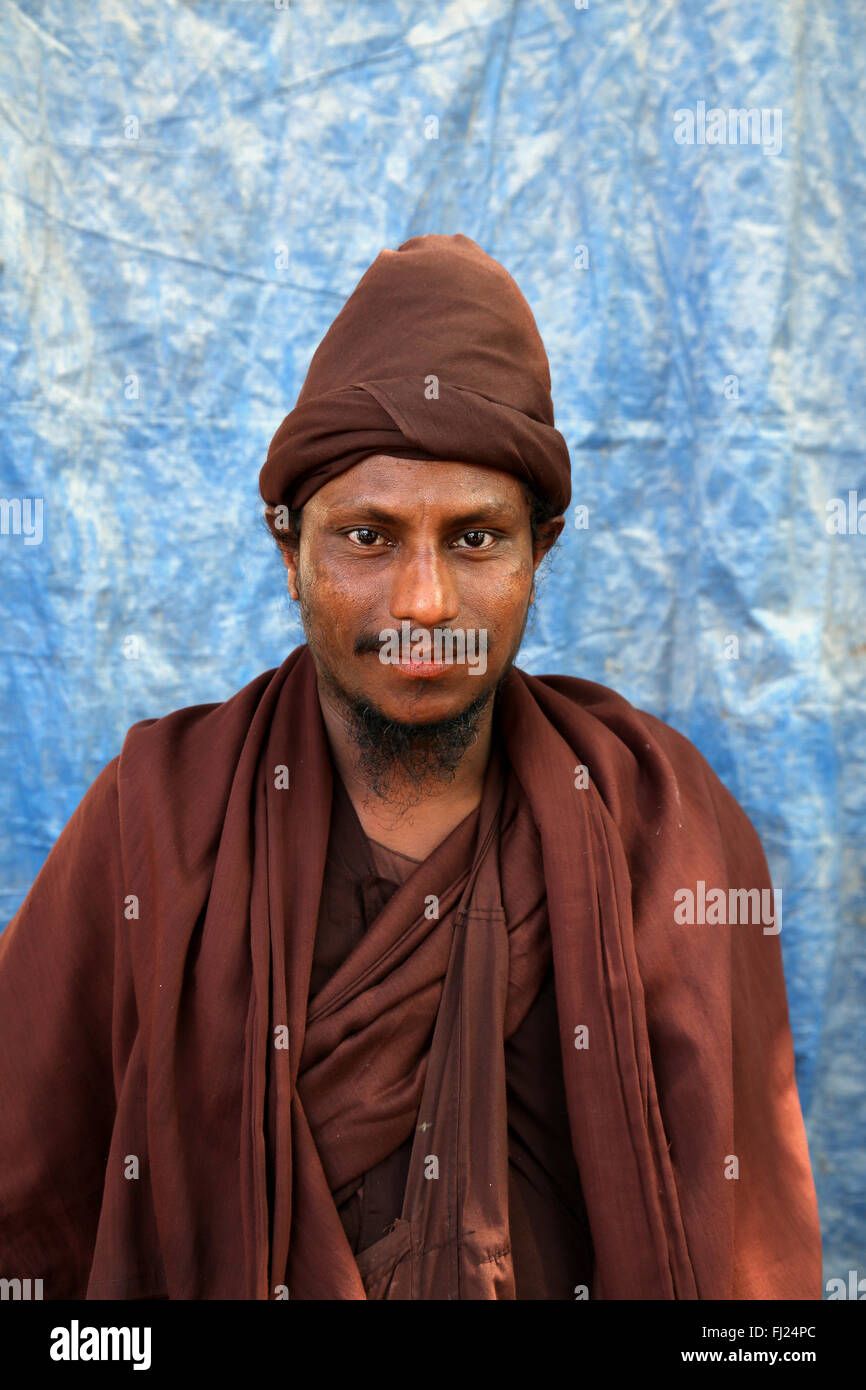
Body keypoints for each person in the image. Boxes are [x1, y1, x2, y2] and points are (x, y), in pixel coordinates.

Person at [0, 233, 822, 1300]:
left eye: (475, 539)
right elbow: (25, 1191)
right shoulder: (156, 816)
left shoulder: (659, 827)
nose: (424, 602)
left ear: (543, 551)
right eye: (368, 537)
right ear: (289, 550)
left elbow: (746, 1258)